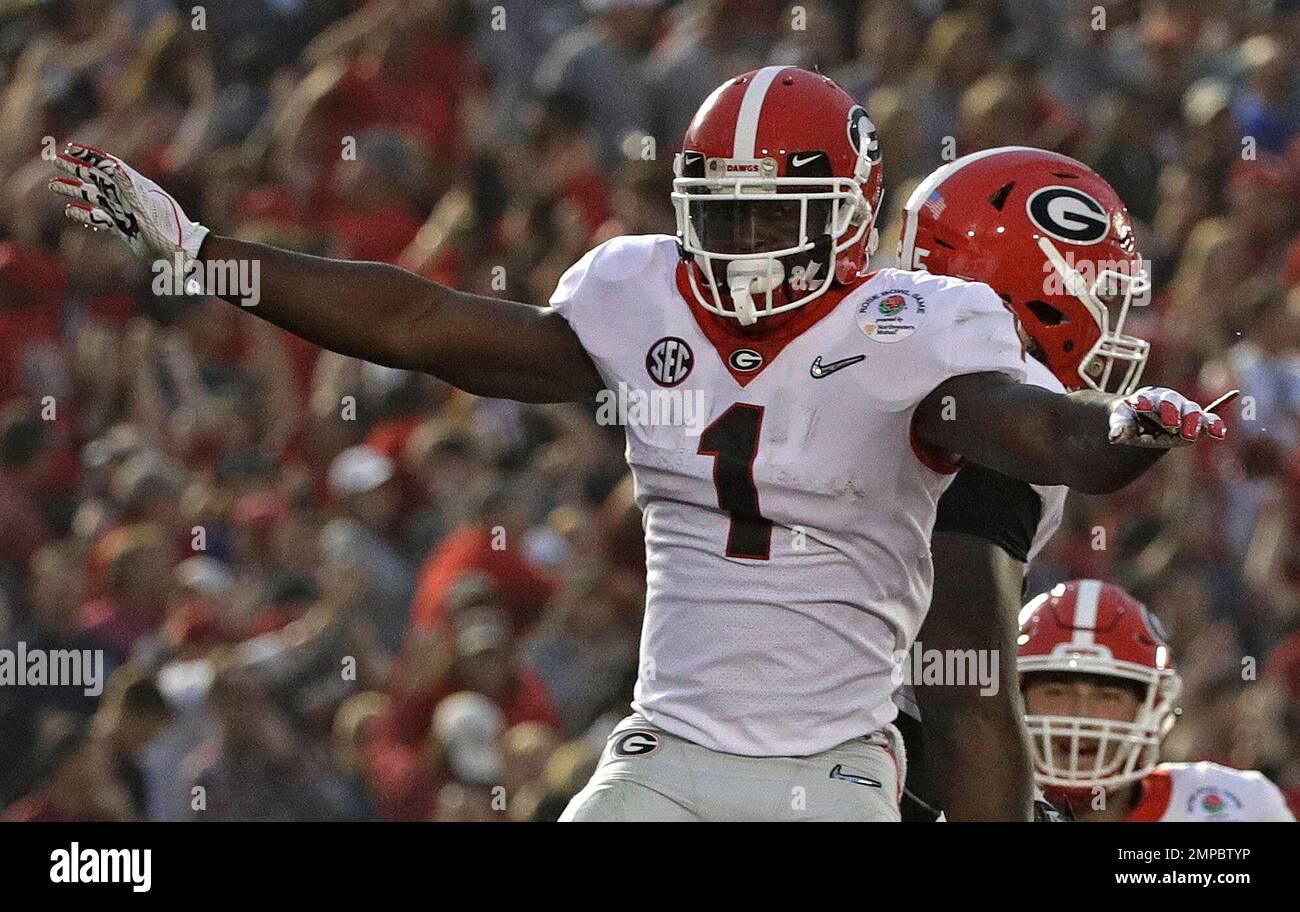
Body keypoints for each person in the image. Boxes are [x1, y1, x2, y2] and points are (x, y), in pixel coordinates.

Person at [49, 66, 1226, 822]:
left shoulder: (913, 324)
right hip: (663, 749)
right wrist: (211, 255)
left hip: (834, 774)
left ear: (853, 220)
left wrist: (1112, 437)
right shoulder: (639, 292)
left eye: (780, 212)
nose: (751, 241)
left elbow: (1015, 422)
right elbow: (426, 324)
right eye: (727, 211)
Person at [893, 146, 1156, 821]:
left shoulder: (888, 354)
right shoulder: (996, 405)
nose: (1114, 319)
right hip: (849, 752)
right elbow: (962, 688)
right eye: (1100, 292)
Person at [1018, 579, 1295, 822]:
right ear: (1017, 699)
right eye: (1056, 691)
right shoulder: (979, 803)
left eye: (1108, 696)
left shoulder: (1239, 805)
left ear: (1149, 709)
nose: (1080, 715)